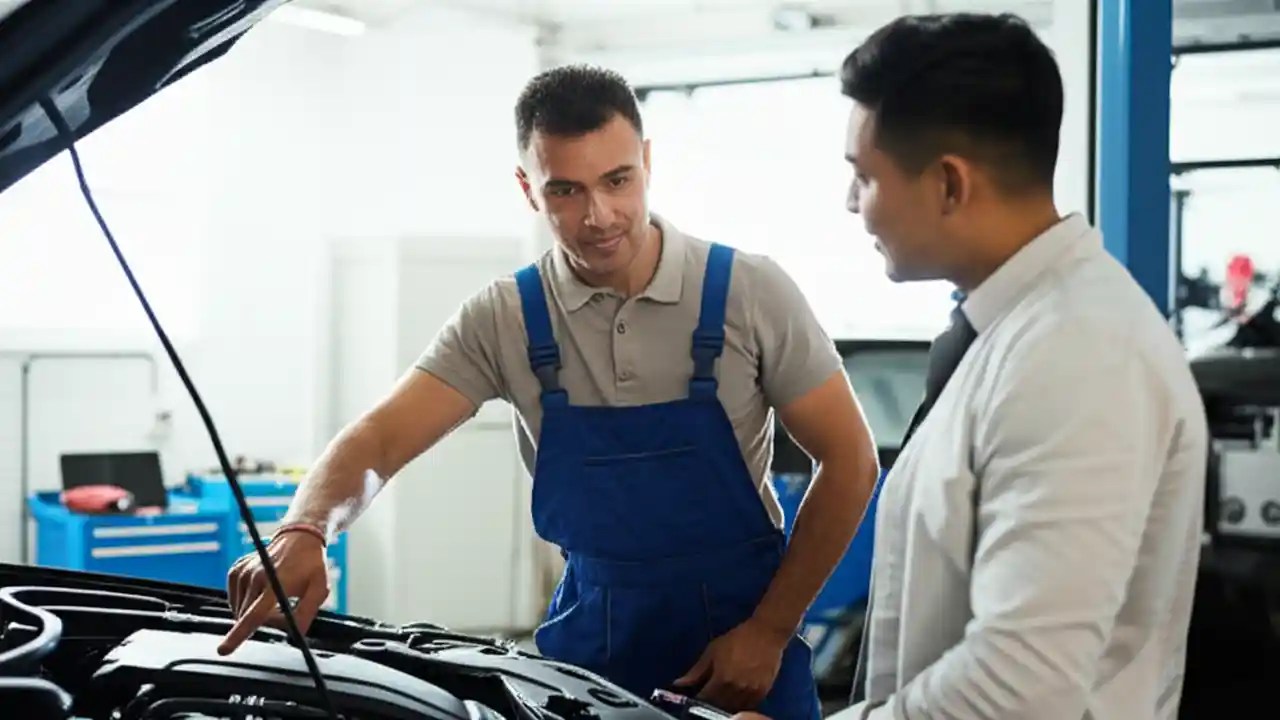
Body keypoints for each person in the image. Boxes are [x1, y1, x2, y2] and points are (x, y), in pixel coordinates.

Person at [215, 64, 881, 720]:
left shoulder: (749, 291)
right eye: (565, 190)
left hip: (745, 638)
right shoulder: (504, 316)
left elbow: (850, 460)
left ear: (647, 160)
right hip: (592, 643)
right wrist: (305, 527)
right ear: (527, 189)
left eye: (618, 180)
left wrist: (770, 630)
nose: (599, 216)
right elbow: (380, 438)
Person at [741, 12, 1209, 720]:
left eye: (863, 177)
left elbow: (1023, 683)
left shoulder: (1078, 355)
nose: (850, 203)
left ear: (949, 185)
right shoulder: (1015, 332)